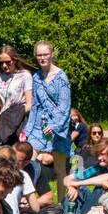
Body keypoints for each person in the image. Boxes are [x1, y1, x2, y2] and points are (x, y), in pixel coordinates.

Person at [25, 40, 72, 203]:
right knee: (28, 162)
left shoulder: (61, 78)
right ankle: (30, 199)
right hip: (39, 125)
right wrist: (28, 129)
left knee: (60, 170)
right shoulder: (36, 78)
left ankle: (62, 206)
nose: (42, 58)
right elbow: (35, 106)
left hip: (58, 128)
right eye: (39, 55)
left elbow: (64, 107)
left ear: (51, 54)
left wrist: (54, 127)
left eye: (45, 54)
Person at [63, 138, 108, 214]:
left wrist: (78, 183)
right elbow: (67, 178)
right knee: (78, 189)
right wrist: (71, 186)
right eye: (98, 155)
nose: (99, 158)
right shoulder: (99, 167)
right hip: (95, 203)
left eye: (102, 154)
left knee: (100, 188)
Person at [0, 44, 32, 144]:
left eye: (8, 62)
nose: (4, 65)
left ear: (15, 60)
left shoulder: (25, 75)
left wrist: (15, 114)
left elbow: (30, 104)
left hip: (19, 120)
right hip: (3, 120)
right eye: (1, 63)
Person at [12, 141, 58, 214]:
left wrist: (30, 203)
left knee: (56, 209)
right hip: (6, 208)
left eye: (17, 160)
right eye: (11, 157)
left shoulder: (36, 169)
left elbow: (48, 197)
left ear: (27, 161)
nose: (12, 161)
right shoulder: (3, 168)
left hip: (25, 208)